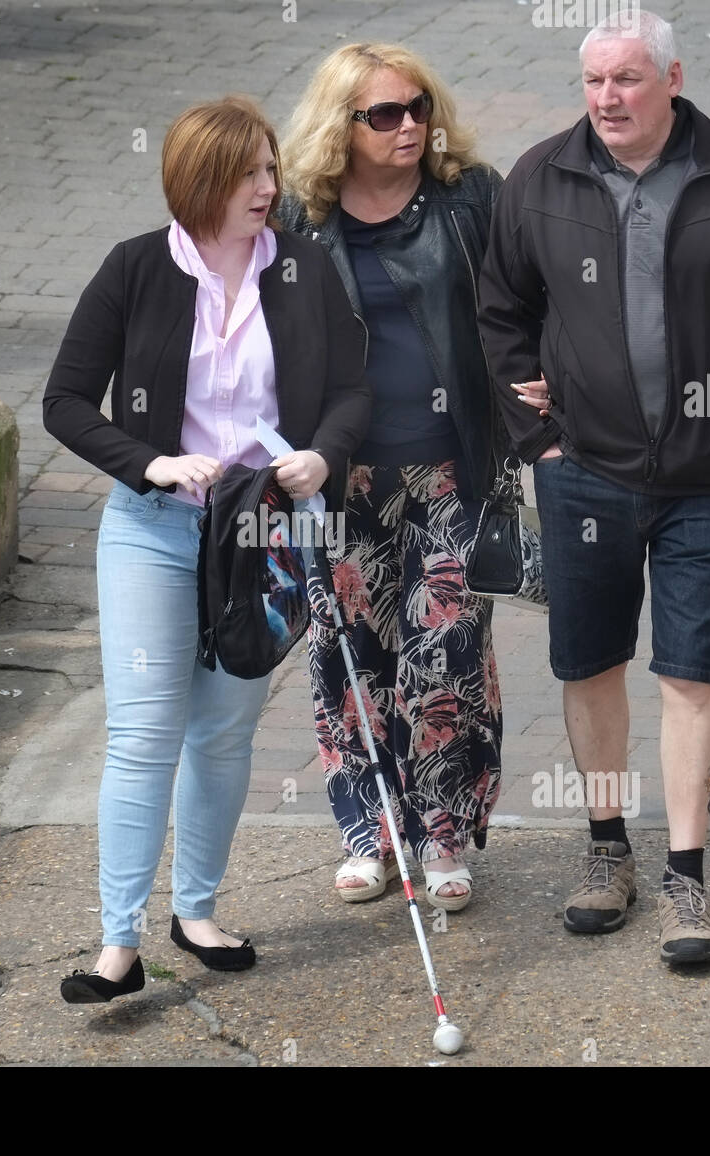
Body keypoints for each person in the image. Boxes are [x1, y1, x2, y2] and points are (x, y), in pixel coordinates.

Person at [478, 10, 710, 963]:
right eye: (593, 82)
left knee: (691, 669)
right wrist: (535, 438)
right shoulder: (542, 176)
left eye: (626, 80)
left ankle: (686, 881)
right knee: (589, 663)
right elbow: (502, 313)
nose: (607, 99)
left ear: (671, 78)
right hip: (582, 473)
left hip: (709, 478)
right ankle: (605, 854)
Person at [43, 96, 370, 1001]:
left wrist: (321, 455)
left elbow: (352, 389)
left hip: (257, 531)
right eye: (251, 175)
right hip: (153, 531)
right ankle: (117, 945)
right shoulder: (134, 269)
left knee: (223, 735)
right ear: (202, 183)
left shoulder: (303, 268)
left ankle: (197, 914)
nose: (270, 187)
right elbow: (64, 402)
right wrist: (148, 461)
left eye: (270, 169)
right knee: (143, 734)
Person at [279, 43, 505, 912]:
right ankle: (373, 832)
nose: (409, 124)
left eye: (417, 107)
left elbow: (521, 297)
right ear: (342, 125)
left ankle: (444, 830)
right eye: (385, 114)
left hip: (452, 467)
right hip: (338, 480)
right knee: (352, 655)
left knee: (444, 652)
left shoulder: (468, 197)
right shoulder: (300, 218)